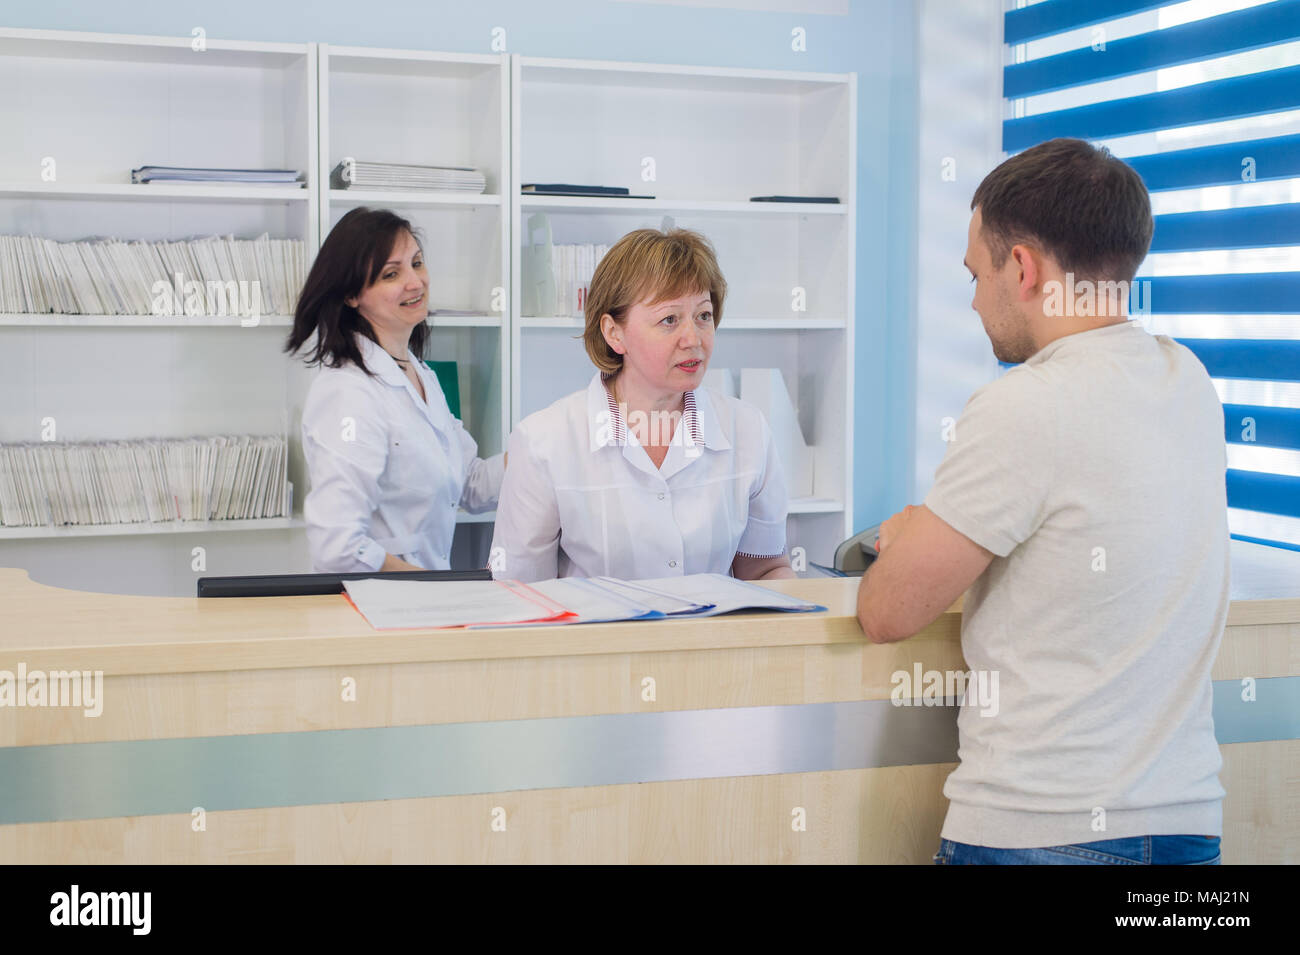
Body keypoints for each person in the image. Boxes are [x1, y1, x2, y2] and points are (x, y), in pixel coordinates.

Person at [856, 138, 1228, 865]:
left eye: (975, 272)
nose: (972, 298)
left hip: (1043, 832)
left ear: (1021, 267)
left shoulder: (1023, 406)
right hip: (1186, 828)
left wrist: (905, 539)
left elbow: (887, 612)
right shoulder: (1190, 383)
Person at [490, 227, 794, 583]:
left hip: (712, 640)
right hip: (596, 640)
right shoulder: (545, 441)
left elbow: (765, 568)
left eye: (704, 316)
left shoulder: (748, 430)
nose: (693, 339)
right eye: (669, 320)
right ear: (613, 332)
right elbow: (520, 592)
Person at [286, 208, 503, 573]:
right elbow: (338, 548)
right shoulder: (348, 393)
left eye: (416, 263)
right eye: (391, 274)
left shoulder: (418, 373)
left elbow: (471, 484)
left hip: (417, 608)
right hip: (377, 613)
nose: (415, 282)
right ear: (352, 295)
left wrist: (547, 443)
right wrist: (436, 590)